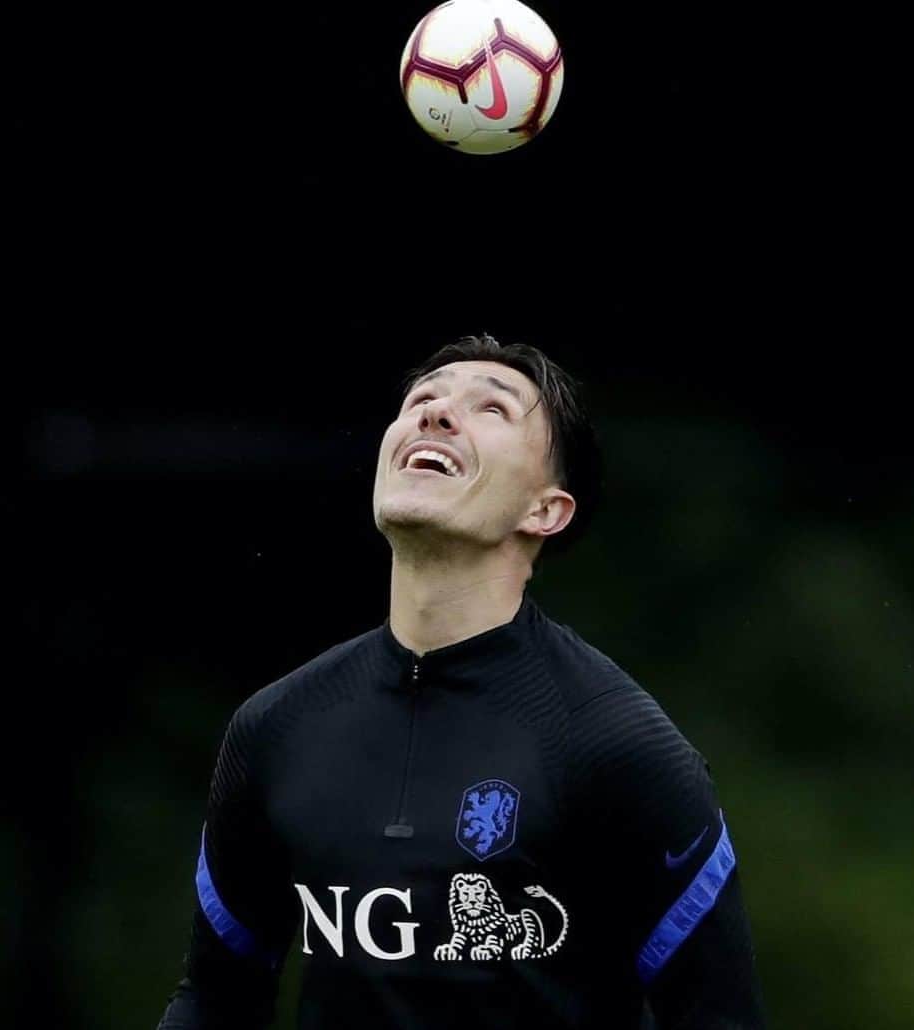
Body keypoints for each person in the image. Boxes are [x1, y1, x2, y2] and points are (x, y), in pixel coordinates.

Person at [156, 334, 767, 1028]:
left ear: (545, 511)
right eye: (423, 398)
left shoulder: (619, 744)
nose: (437, 414)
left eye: (491, 410)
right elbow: (215, 996)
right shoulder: (275, 728)